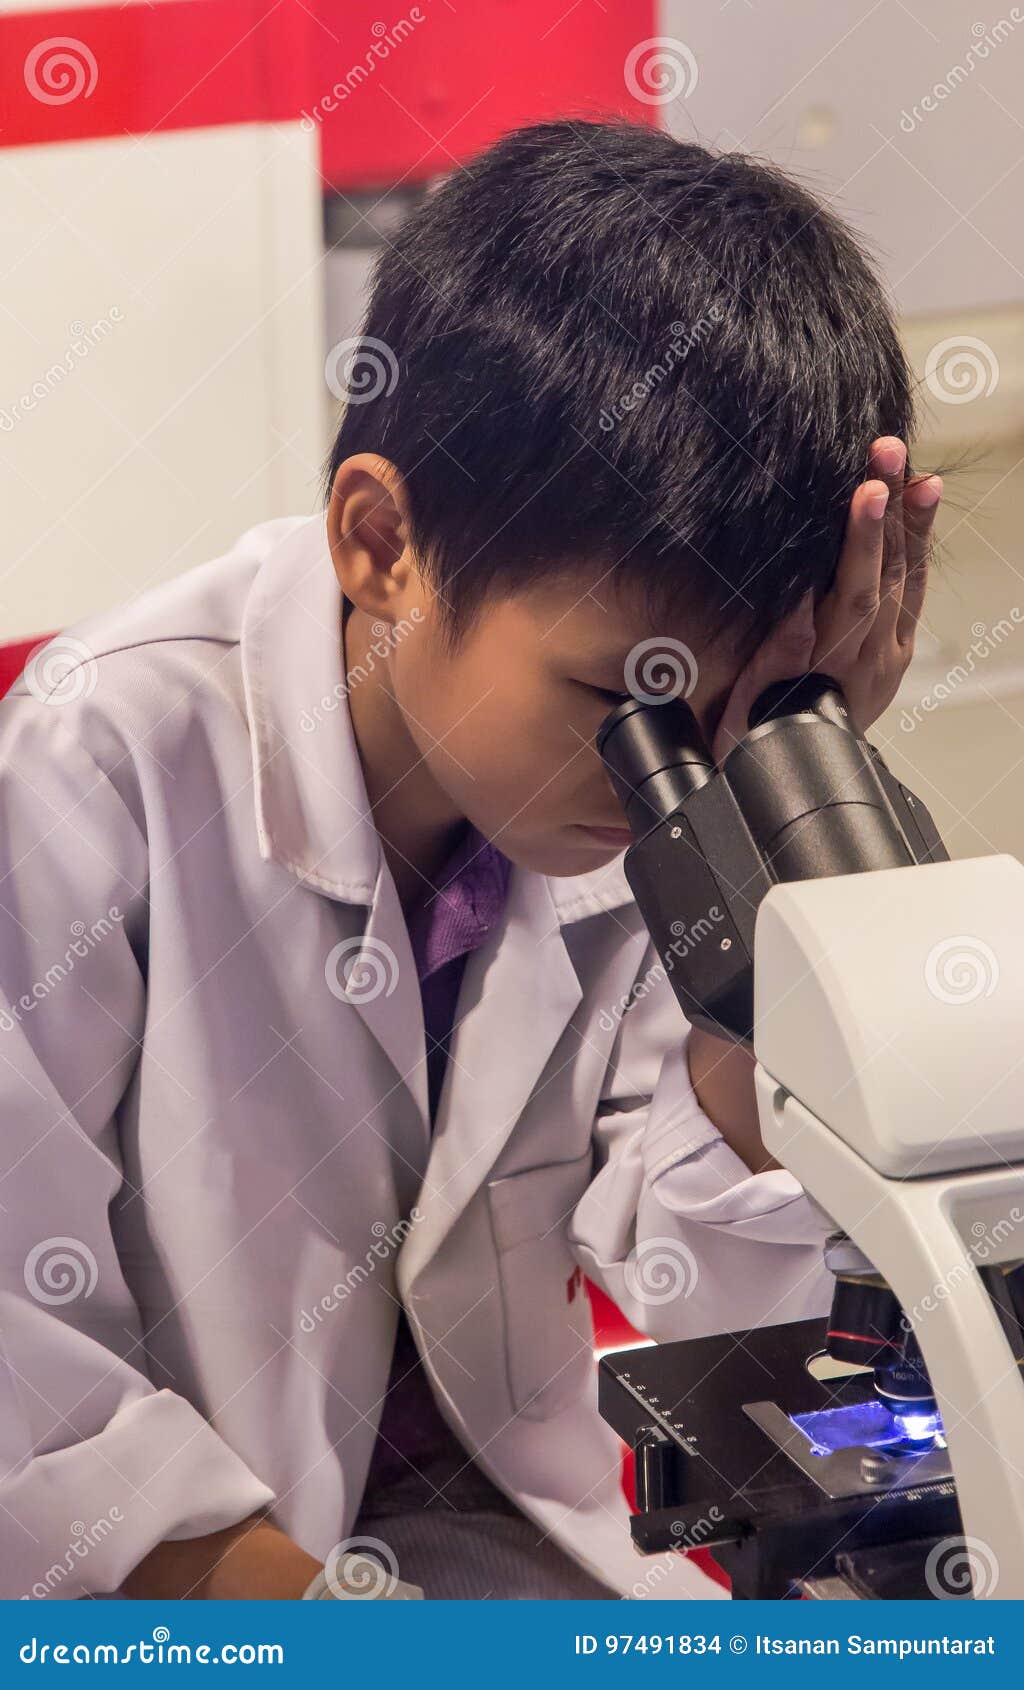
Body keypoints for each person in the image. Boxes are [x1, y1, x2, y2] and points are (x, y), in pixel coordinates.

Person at [0, 117, 944, 1602]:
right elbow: (20, 1382)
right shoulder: (97, 761)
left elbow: (702, 1291)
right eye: (618, 706)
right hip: (167, 1574)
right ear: (382, 539)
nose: (661, 792)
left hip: (486, 1524)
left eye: (723, 721)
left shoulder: (627, 800)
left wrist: (768, 948)